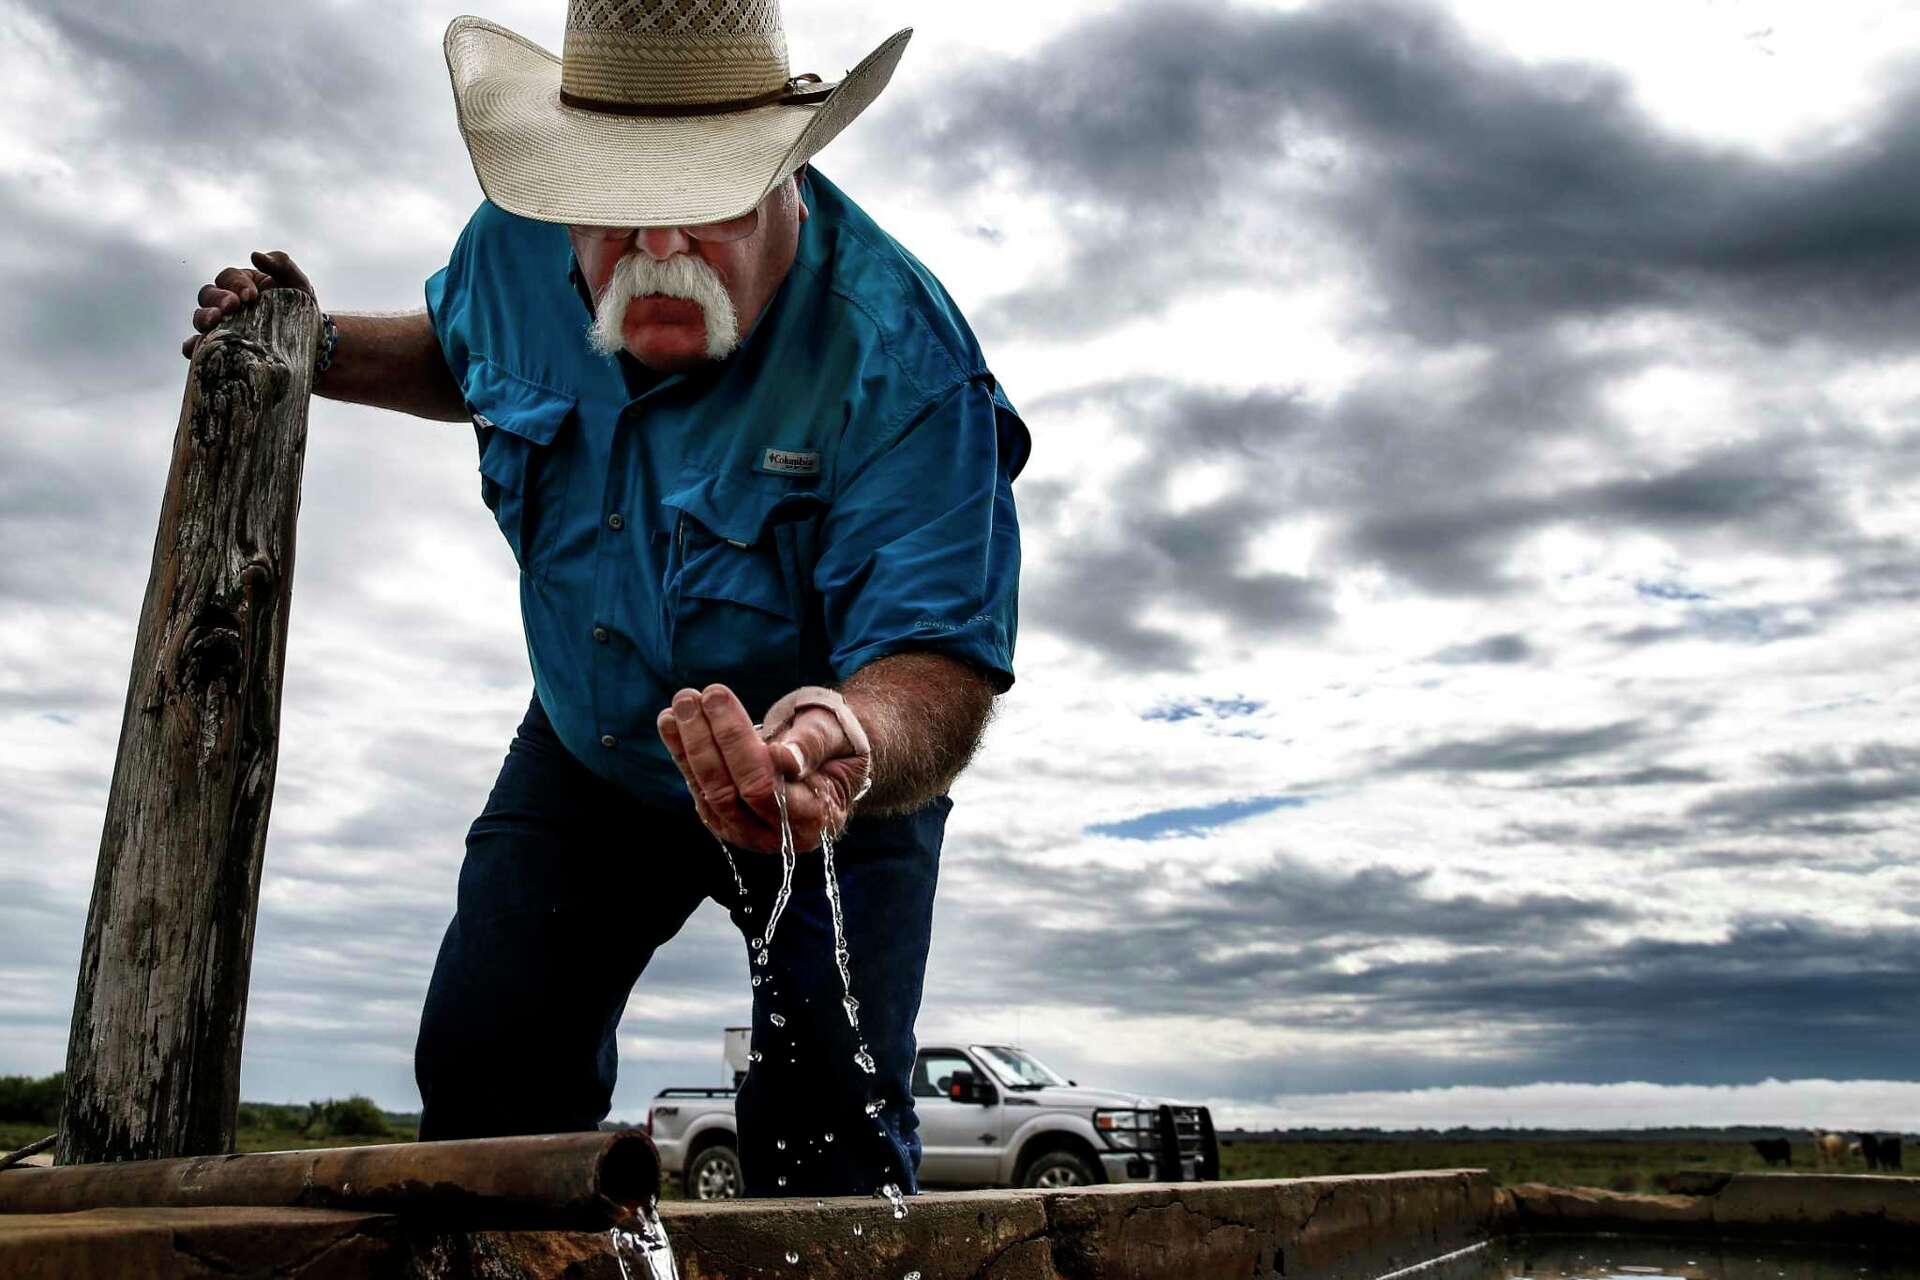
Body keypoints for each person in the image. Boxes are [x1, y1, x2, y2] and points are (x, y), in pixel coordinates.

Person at [183, 0, 1027, 1199]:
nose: (662, 239)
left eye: (712, 196)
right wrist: (314, 346)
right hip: (589, 744)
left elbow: (934, 664)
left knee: (824, 1125)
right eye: (615, 199)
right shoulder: (510, 250)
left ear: (790, 171)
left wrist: (840, 743)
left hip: (821, 782)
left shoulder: (906, 368)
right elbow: (465, 355)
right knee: (486, 1076)